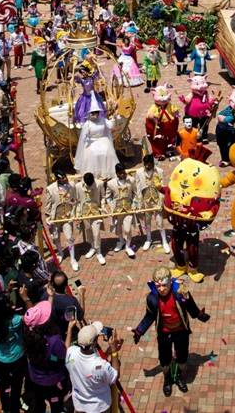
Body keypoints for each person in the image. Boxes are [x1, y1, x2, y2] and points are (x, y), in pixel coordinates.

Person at [132, 266, 210, 397]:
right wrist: (139, 330)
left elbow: (191, 307)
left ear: (170, 282)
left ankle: (179, 377)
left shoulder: (180, 292)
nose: (161, 289)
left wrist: (199, 315)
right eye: (158, 286)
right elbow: (149, 316)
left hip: (181, 331)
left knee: (182, 358)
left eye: (164, 285)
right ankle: (167, 379)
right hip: (164, 333)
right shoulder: (152, 298)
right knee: (164, 359)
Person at [23, 300, 70, 413]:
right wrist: (70, 329)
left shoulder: (27, 334)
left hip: (35, 378)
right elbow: (65, 355)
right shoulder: (54, 341)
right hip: (53, 382)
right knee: (56, 406)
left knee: (39, 404)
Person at [66, 322, 122, 413]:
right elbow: (115, 375)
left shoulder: (71, 353)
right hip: (99, 408)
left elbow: (67, 348)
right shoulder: (101, 366)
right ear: (94, 343)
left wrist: (69, 330)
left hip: (79, 406)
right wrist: (114, 351)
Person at [0, 290, 27, 413]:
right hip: (16, 358)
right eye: (10, 302)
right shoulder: (16, 320)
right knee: (16, 385)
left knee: (3, 384)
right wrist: (25, 298)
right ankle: (14, 408)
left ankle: (5, 407)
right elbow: (30, 315)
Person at [135, 149, 171, 253]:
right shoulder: (139, 172)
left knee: (160, 222)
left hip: (156, 200)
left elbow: (161, 187)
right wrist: (139, 203)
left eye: (149, 164)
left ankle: (164, 241)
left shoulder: (159, 171)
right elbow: (138, 188)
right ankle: (148, 239)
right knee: (147, 222)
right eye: (145, 164)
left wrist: (161, 201)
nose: (147, 166)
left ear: (153, 163)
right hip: (146, 201)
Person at [73, 100, 119, 179]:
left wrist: (114, 117)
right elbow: (83, 136)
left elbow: (111, 126)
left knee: (108, 152)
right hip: (91, 141)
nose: (95, 115)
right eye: (93, 113)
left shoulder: (103, 120)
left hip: (103, 139)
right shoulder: (87, 124)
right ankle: (95, 174)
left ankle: (107, 173)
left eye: (96, 112)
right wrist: (87, 141)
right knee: (93, 154)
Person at [45, 168, 79, 271]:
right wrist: (48, 218)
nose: (65, 179)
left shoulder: (71, 185)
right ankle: (60, 253)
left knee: (69, 238)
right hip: (55, 217)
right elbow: (48, 205)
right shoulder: (50, 189)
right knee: (56, 238)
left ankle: (73, 259)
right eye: (62, 178)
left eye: (65, 177)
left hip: (67, 216)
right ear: (57, 179)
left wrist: (74, 213)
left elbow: (75, 200)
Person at [75, 172, 106, 265]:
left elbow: (103, 197)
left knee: (96, 233)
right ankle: (92, 247)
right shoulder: (78, 186)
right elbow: (78, 201)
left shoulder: (100, 184)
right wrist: (78, 214)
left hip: (96, 212)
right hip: (85, 213)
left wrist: (103, 206)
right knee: (88, 231)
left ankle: (99, 252)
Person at [105, 164, 136, 258]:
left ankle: (128, 246)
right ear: (116, 173)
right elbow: (108, 197)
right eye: (120, 173)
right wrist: (112, 206)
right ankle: (121, 241)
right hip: (117, 210)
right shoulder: (110, 183)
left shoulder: (131, 180)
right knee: (118, 228)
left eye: (124, 172)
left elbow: (135, 194)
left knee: (127, 229)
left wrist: (134, 204)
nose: (123, 175)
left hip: (128, 209)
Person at [45, 270, 84, 336]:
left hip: (53, 330)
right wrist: (82, 294)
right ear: (66, 285)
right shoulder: (71, 301)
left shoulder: (45, 295)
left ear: (52, 283)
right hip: (67, 330)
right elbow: (80, 316)